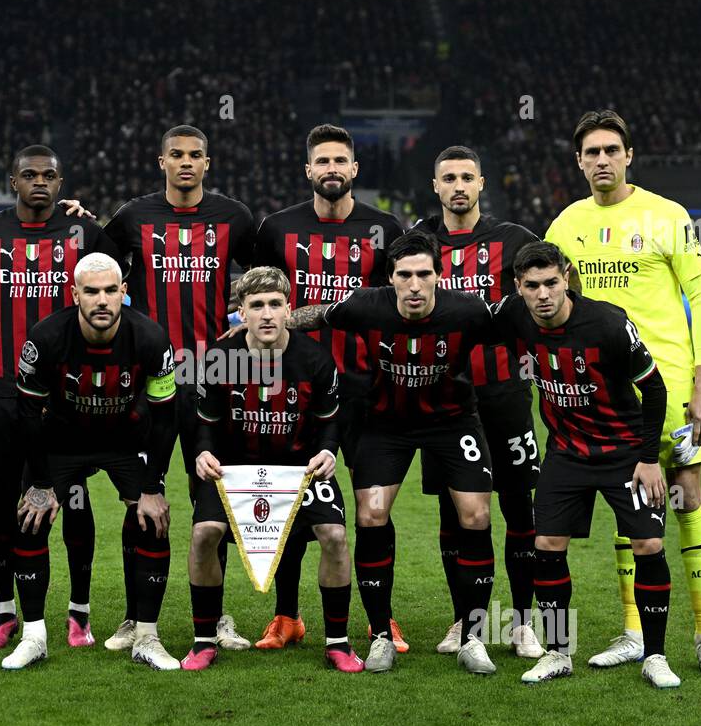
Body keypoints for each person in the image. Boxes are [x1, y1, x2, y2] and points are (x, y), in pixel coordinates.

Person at [545, 110, 701, 674]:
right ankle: (633, 633)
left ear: (629, 156)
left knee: (687, 497)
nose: (602, 159)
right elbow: (550, 302)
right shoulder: (565, 225)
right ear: (578, 161)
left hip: (668, 388)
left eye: (611, 150)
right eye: (591, 152)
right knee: (633, 511)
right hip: (602, 397)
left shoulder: (667, 216)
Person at [286, 230, 497, 674]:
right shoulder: (367, 304)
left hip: (453, 422)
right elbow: (318, 315)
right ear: (391, 278)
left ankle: (474, 637)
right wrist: (264, 323)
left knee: (475, 517)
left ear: (439, 276)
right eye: (405, 275)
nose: (415, 285)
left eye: (424, 274)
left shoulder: (469, 311)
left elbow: (516, 325)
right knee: (371, 515)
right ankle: (381, 634)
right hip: (387, 425)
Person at [0, 145, 120, 652]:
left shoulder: (83, 233)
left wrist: (93, 220)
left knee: (73, 497)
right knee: (4, 502)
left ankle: (80, 613)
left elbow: (122, 270)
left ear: (62, 182)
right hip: (3, 389)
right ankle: (5, 612)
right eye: (30, 175)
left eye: (49, 175)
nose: (39, 182)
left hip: (69, 393)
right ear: (13, 181)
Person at [489, 242, 681, 688]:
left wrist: (650, 460)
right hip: (567, 452)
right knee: (548, 545)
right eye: (532, 286)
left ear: (567, 278)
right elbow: (465, 320)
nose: (543, 294)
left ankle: (654, 655)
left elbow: (654, 390)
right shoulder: (511, 315)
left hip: (626, 453)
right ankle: (558, 653)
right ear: (519, 287)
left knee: (648, 546)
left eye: (552, 283)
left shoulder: (608, 323)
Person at [102, 125, 257, 653]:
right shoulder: (131, 218)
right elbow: (95, 267)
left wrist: (247, 317)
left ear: (207, 163)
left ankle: (215, 618)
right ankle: (132, 618)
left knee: (213, 501)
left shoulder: (233, 217)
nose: (186, 163)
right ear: (161, 161)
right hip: (150, 384)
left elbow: (265, 279)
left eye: (195, 155)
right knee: (142, 495)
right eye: (176, 155)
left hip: (214, 379)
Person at [252, 124, 403, 652]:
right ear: (309, 170)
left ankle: (380, 619)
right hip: (296, 393)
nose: (332, 169)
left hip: (368, 388)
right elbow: (258, 298)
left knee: (372, 507)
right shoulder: (277, 228)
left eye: (341, 160)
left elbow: (399, 304)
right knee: (292, 506)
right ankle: (286, 616)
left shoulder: (384, 228)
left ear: (355, 169)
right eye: (323, 161)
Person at [185, 267, 362, 672]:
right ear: (241, 314)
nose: (267, 314)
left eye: (275, 304)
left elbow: (329, 419)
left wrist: (329, 451)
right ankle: (203, 641)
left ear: (288, 311)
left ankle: (337, 643)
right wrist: (203, 453)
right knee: (203, 534)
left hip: (299, 469)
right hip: (235, 470)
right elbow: (204, 423)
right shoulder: (220, 358)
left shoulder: (315, 359)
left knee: (334, 534)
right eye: (256, 305)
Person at [11, 254, 181, 671]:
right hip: (63, 440)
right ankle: (34, 636)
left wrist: (153, 486)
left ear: (124, 291)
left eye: (110, 290)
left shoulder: (151, 337)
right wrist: (41, 483)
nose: (102, 300)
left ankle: (146, 636)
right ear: (75, 295)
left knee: (153, 522)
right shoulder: (46, 337)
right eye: (91, 291)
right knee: (30, 518)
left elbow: (166, 417)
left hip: (127, 439)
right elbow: (28, 414)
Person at [412, 145, 542, 659]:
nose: (459, 185)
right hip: (444, 400)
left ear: (482, 183)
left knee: (518, 507)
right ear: (436, 186)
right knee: (455, 512)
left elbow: (550, 290)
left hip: (506, 394)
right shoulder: (418, 247)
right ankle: (465, 620)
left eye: (468, 176)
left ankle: (524, 622)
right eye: (450, 178)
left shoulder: (514, 240)